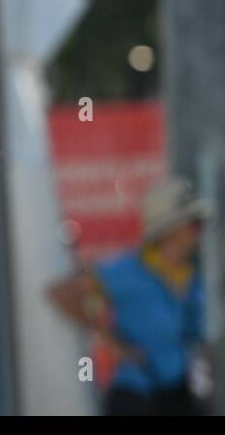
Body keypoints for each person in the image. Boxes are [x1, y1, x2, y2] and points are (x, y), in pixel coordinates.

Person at [47, 177, 210, 415]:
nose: (200, 232)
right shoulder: (128, 270)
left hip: (179, 394)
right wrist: (110, 339)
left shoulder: (195, 274)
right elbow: (61, 292)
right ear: (170, 230)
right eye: (194, 224)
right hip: (136, 398)